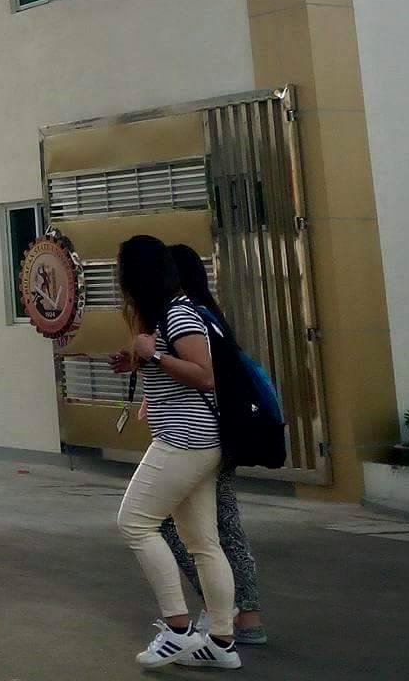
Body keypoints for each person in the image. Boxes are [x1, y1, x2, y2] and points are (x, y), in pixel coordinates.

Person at [111, 234, 241, 670]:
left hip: (185, 440)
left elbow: (205, 375)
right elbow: (176, 365)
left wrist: (155, 357)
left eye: (121, 266)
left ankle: (178, 628)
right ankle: (221, 642)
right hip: (200, 442)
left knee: (134, 523)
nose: (117, 275)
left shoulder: (177, 313)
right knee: (203, 542)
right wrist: (137, 360)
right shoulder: (165, 314)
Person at [157, 245, 268, 647]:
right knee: (223, 526)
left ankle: (225, 609)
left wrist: (155, 359)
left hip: (204, 438)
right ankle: (245, 617)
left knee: (174, 525)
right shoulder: (211, 317)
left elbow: (203, 378)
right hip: (223, 434)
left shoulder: (186, 318)